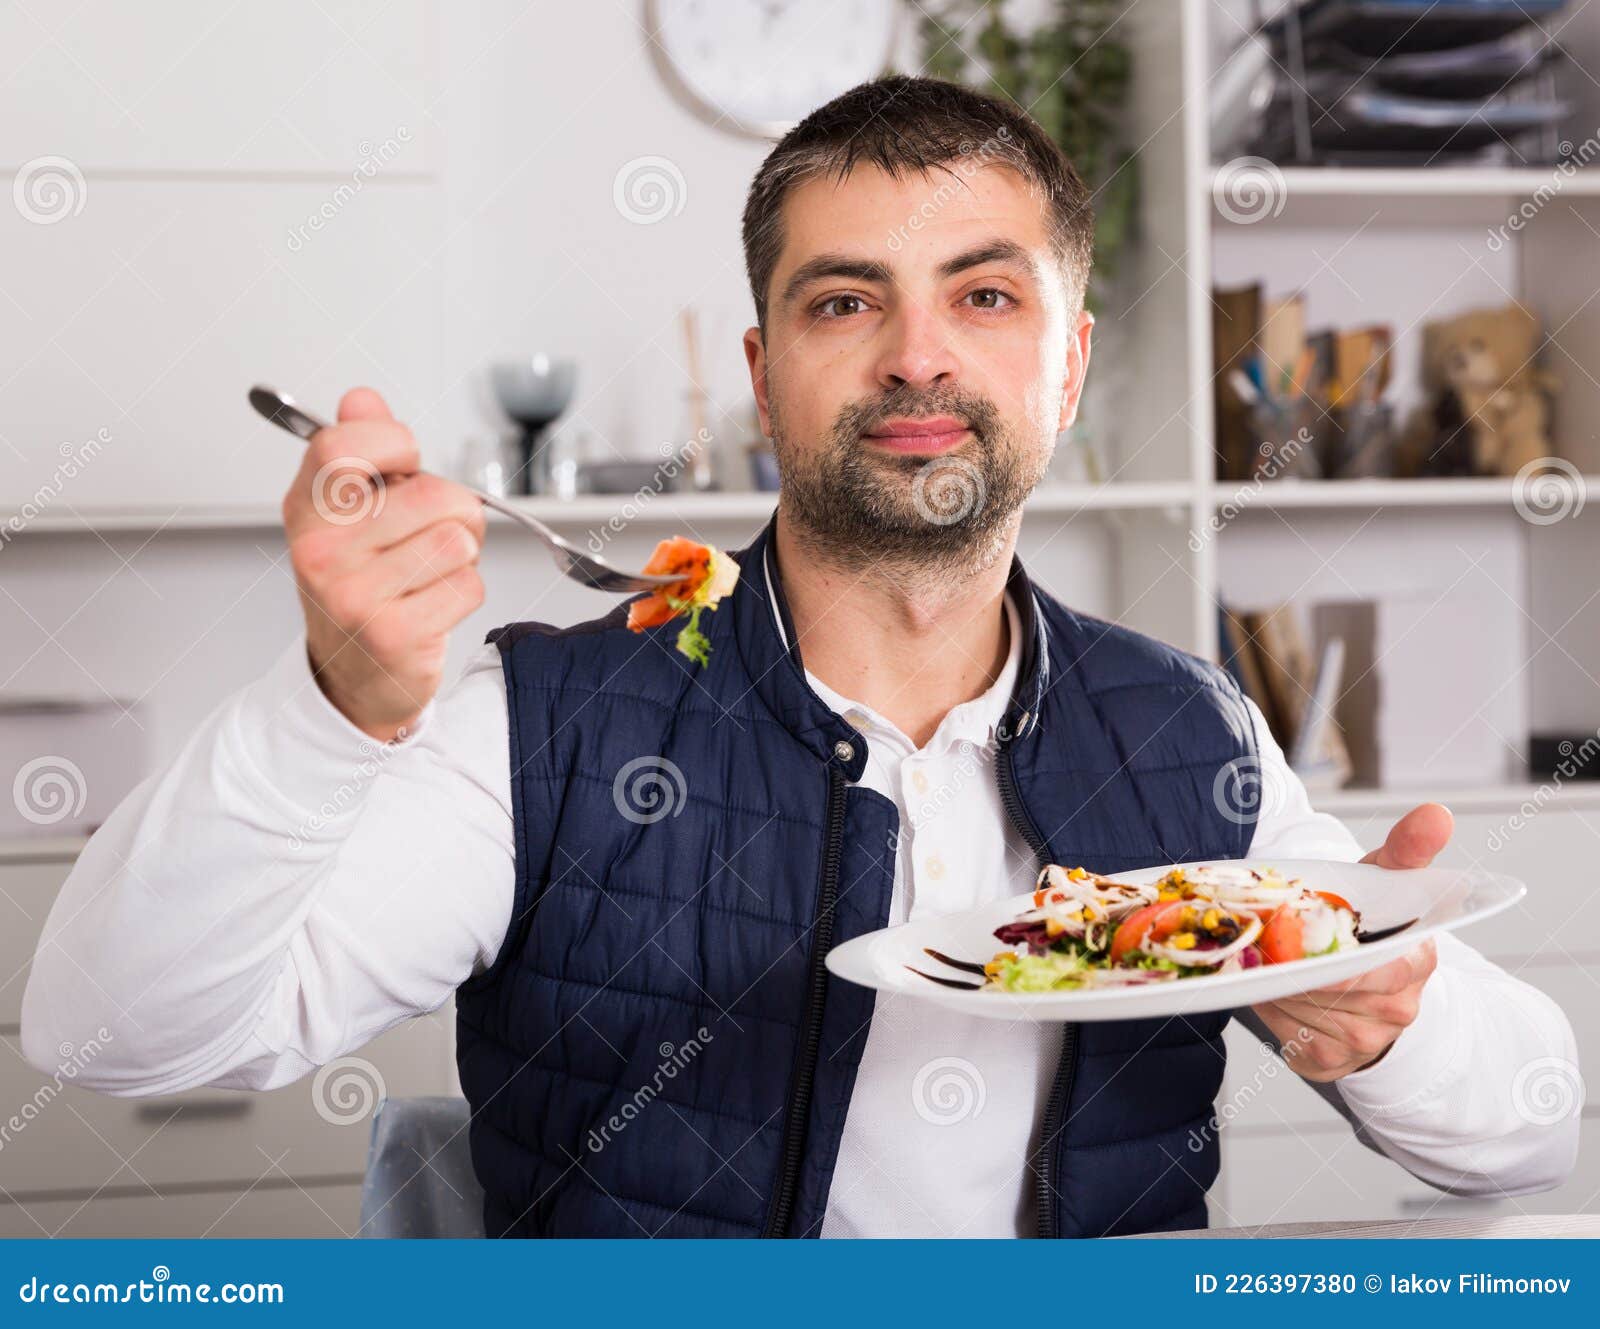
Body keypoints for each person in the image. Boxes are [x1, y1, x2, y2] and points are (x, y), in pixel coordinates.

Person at [22, 76, 1578, 1238]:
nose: (919, 354)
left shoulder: (1185, 728)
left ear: (1069, 360)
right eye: (849, 301)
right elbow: (109, 1036)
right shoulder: (545, 726)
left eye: (984, 294)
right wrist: (333, 710)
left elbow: (1530, 1129)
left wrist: (1394, 1020)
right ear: (765, 376)